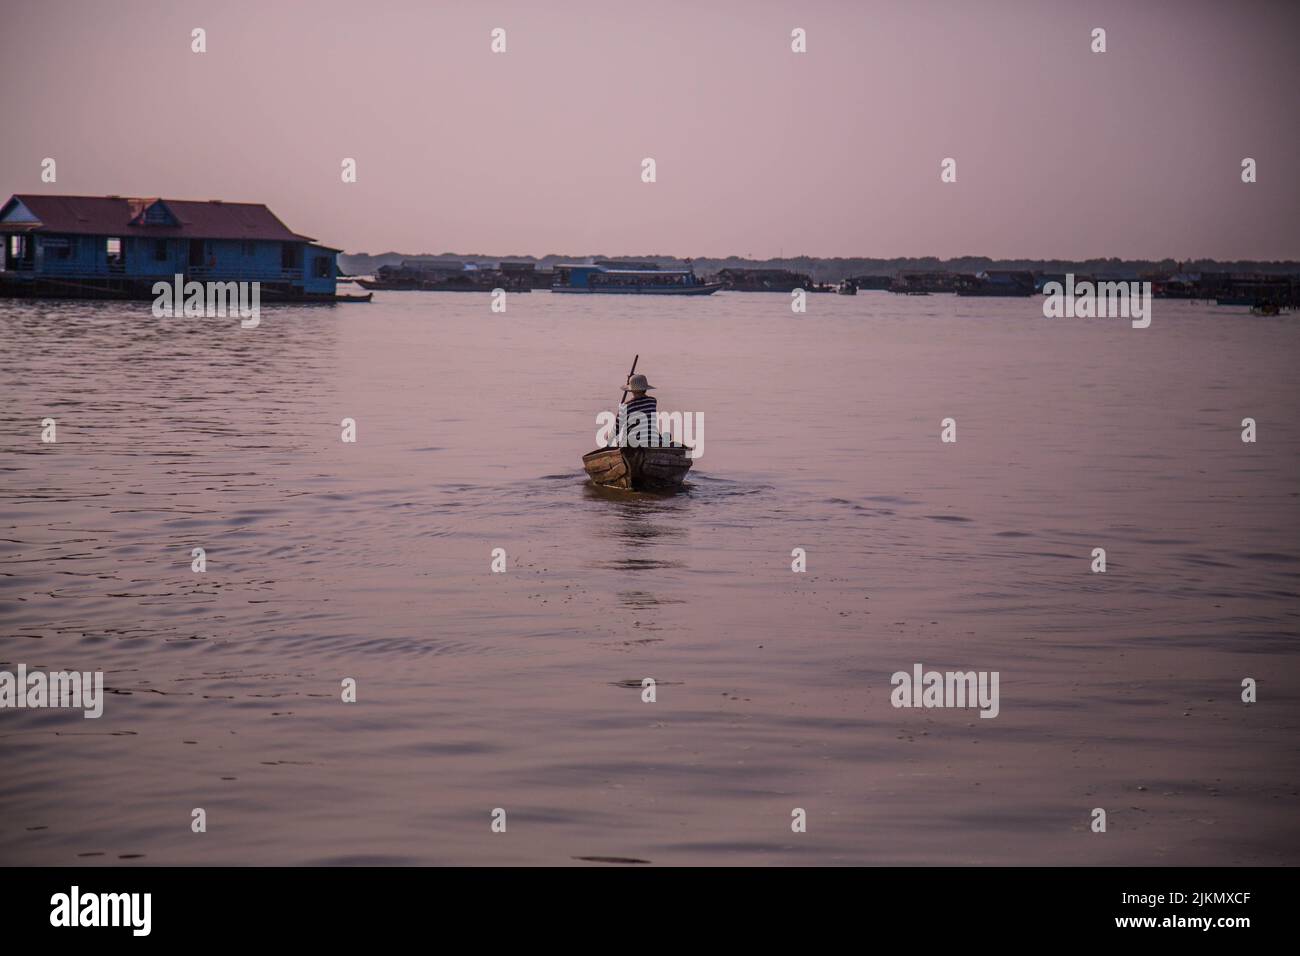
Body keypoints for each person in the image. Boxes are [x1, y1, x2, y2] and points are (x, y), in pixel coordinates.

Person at [621, 373, 660, 448]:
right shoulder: (653, 401)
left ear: (631, 390)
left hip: (635, 444)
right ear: (645, 389)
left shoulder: (626, 406)